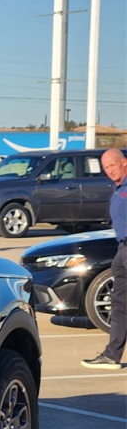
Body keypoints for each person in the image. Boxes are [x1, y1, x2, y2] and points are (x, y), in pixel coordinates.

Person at [82, 148, 127, 369]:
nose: (109, 171)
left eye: (112, 165)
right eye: (106, 168)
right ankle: (111, 355)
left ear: (124, 162)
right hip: (122, 250)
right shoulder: (118, 189)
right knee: (119, 304)